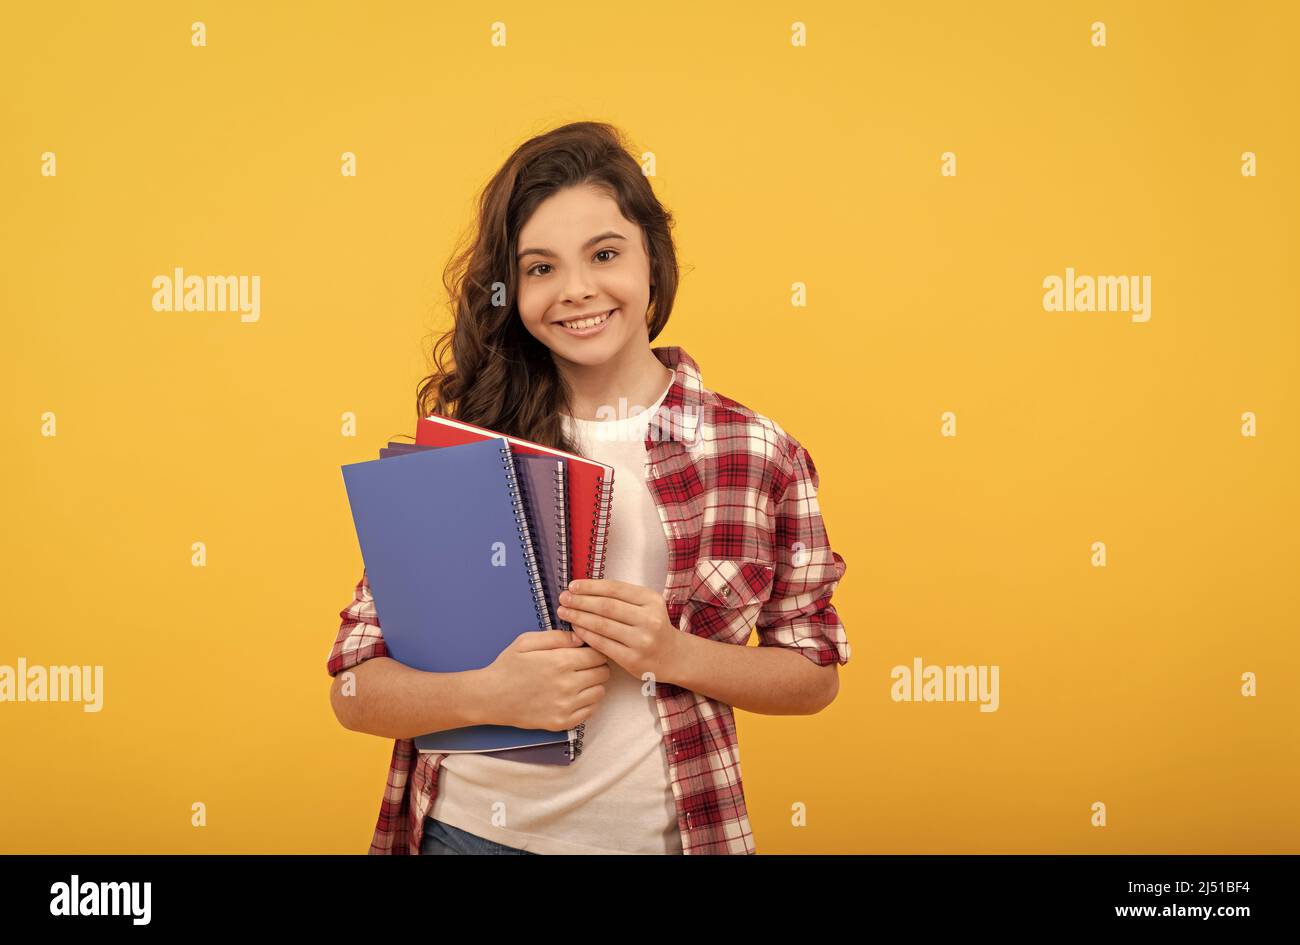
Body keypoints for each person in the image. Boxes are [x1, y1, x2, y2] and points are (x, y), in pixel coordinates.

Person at [327, 120, 851, 855]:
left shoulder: (755, 450)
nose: (577, 291)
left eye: (604, 254)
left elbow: (813, 672)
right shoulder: (463, 447)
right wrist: (488, 694)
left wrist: (673, 652)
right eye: (540, 268)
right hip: (467, 834)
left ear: (652, 259)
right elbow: (354, 688)